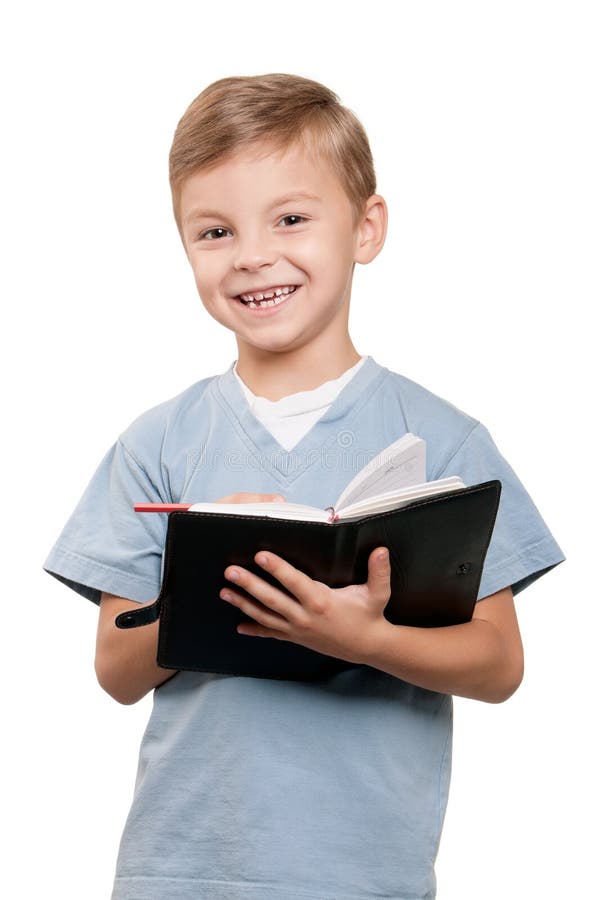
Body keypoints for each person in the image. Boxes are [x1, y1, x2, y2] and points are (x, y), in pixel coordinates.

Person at [43, 73, 565, 900]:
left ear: (366, 227)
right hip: (181, 873)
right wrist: (204, 580)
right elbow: (116, 670)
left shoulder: (446, 441)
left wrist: (365, 641)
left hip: (362, 878)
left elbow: (499, 665)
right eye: (215, 231)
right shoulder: (158, 442)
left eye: (290, 218)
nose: (252, 255)